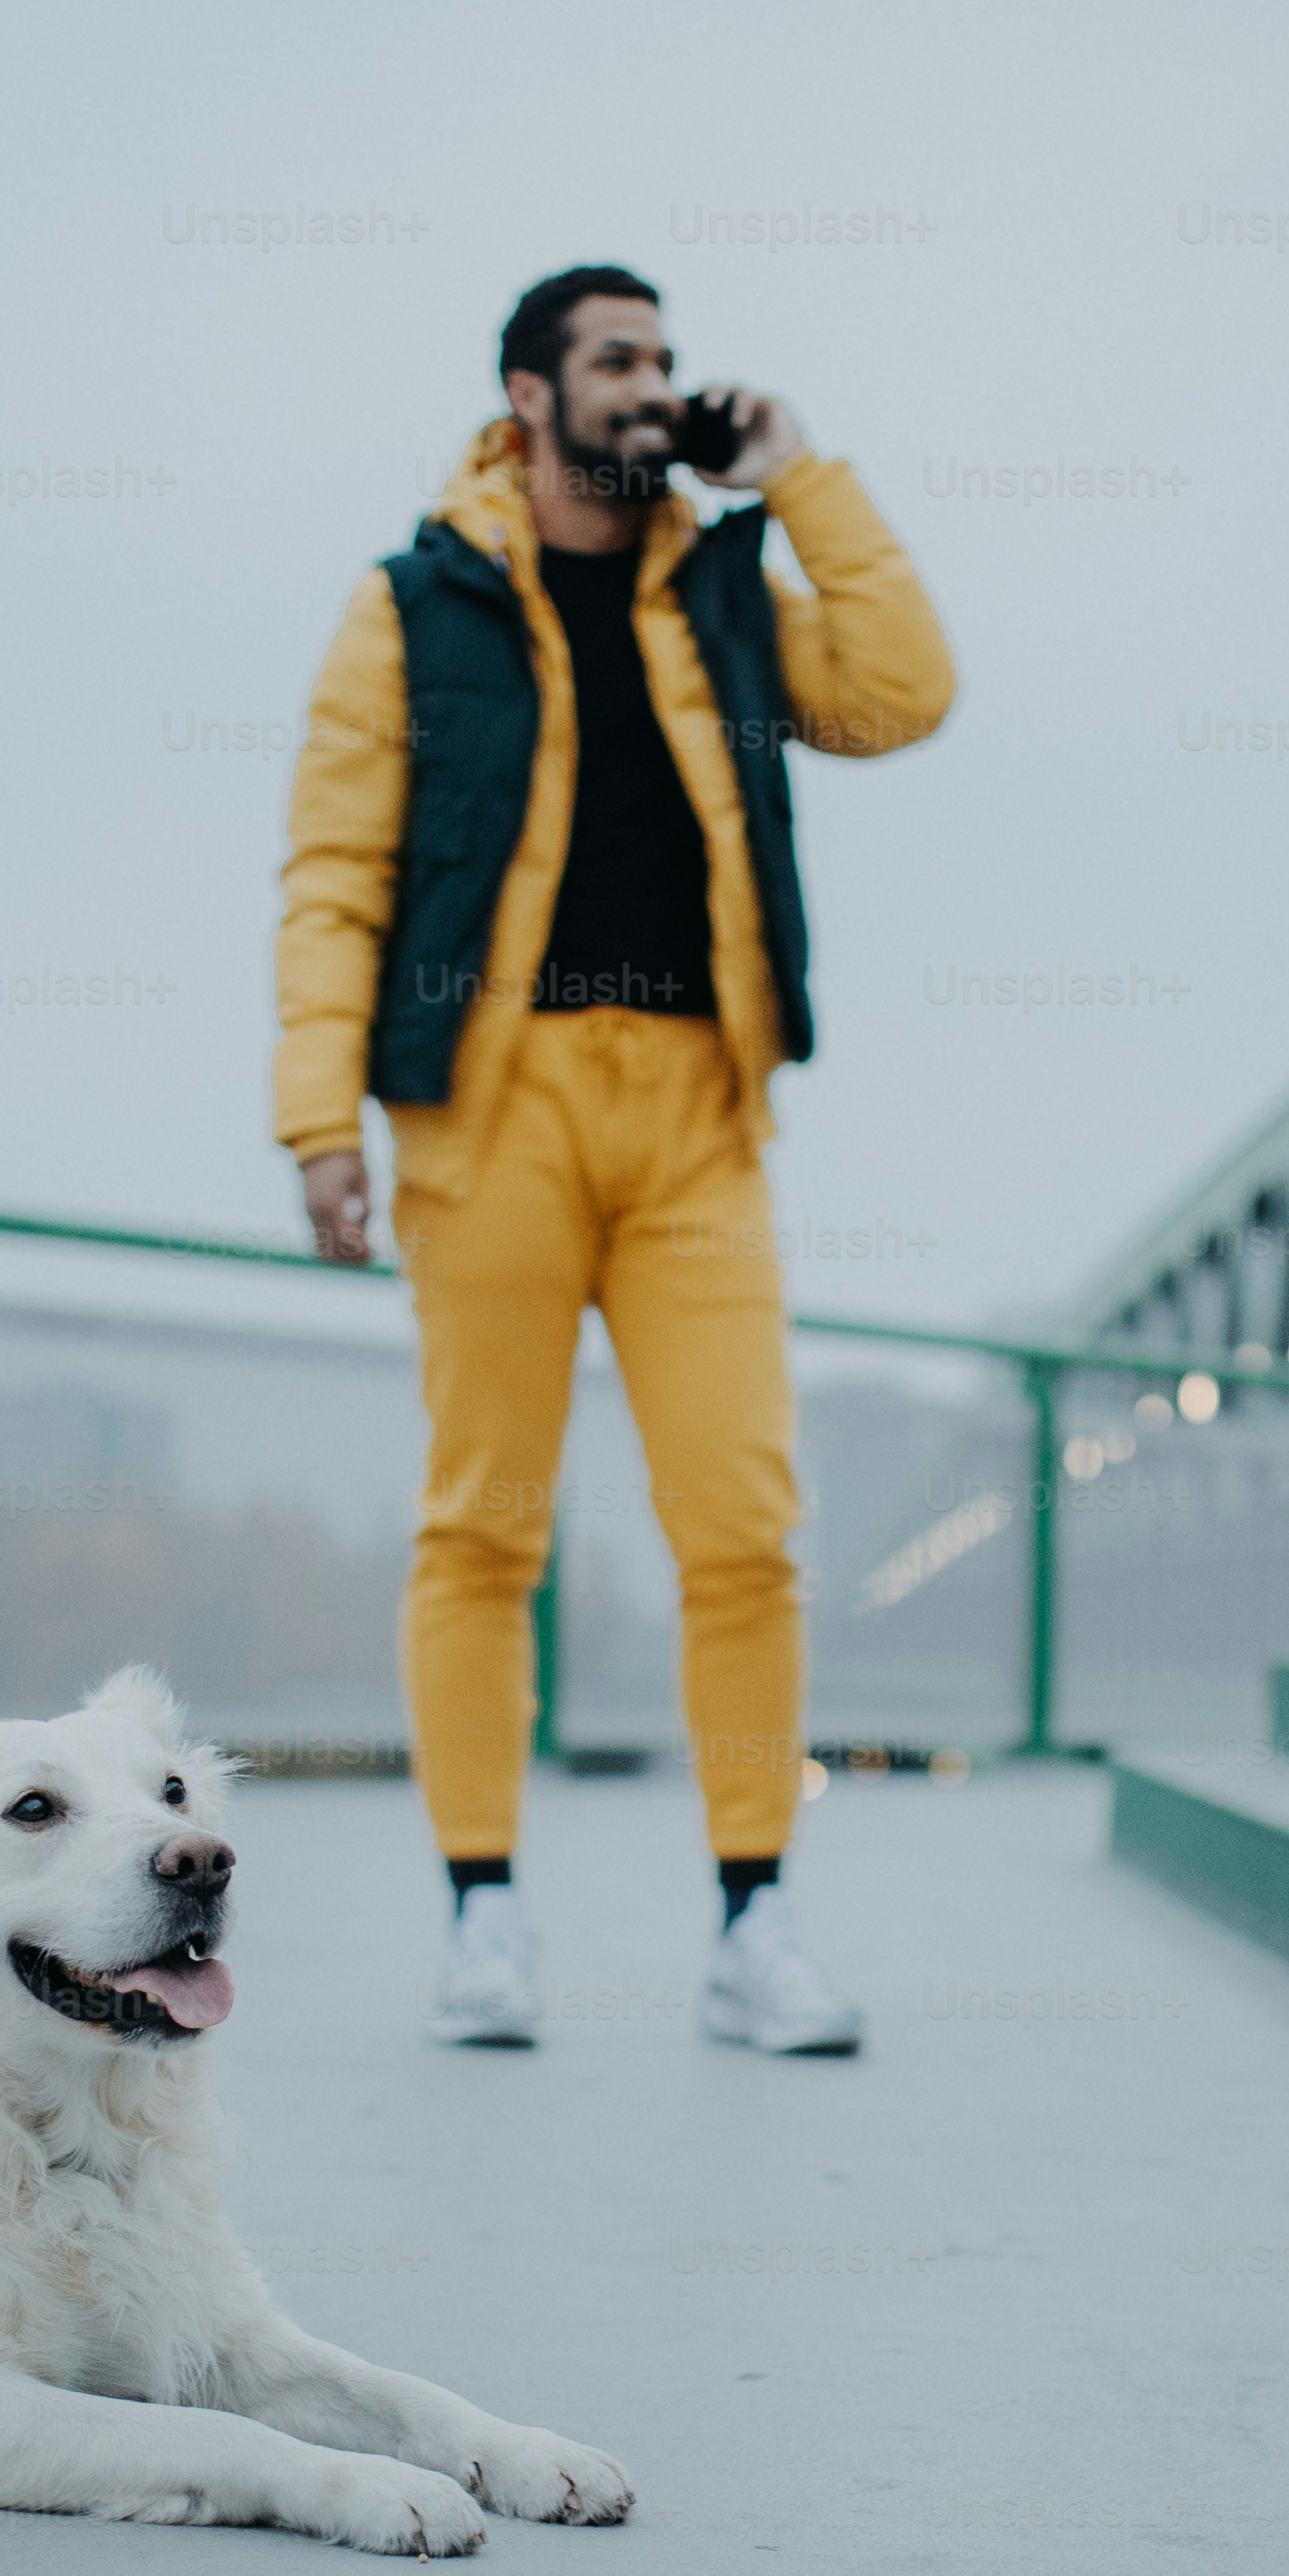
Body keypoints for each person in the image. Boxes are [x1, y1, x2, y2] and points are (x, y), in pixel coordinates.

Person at [272, 264, 956, 2054]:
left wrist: (797, 474)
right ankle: (482, 1913)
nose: (654, 386)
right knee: (482, 1526)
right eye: (618, 361)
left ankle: (753, 1921)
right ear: (531, 395)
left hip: (698, 1117)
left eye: (666, 358)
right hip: (485, 1112)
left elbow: (906, 690)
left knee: (743, 1527)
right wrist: (315, 1122)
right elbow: (335, 871)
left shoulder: (728, 591)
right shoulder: (406, 608)